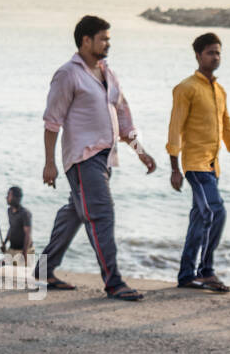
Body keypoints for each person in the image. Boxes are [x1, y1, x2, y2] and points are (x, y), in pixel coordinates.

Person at [35, 15, 157, 301]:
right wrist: (49, 162)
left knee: (75, 214)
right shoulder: (68, 74)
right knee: (101, 214)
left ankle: (43, 271)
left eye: (109, 39)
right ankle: (113, 282)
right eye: (103, 39)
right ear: (85, 40)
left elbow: (123, 115)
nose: (107, 44)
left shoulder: (107, 72)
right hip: (82, 158)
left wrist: (141, 152)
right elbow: (52, 121)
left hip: (105, 157)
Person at [167, 32, 230, 292]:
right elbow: (175, 128)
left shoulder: (219, 91)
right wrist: (174, 168)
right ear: (198, 55)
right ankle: (205, 271)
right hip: (195, 165)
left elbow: (227, 128)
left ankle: (186, 275)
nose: (215, 57)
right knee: (216, 212)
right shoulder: (186, 88)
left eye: (218, 52)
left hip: (213, 167)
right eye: (210, 52)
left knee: (200, 219)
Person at [4, 186, 32, 252]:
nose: (6, 197)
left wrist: (24, 252)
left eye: (9, 195)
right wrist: (4, 243)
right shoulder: (9, 211)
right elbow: (11, 228)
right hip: (12, 248)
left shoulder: (25, 213)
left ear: (15, 198)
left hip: (24, 250)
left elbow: (28, 234)